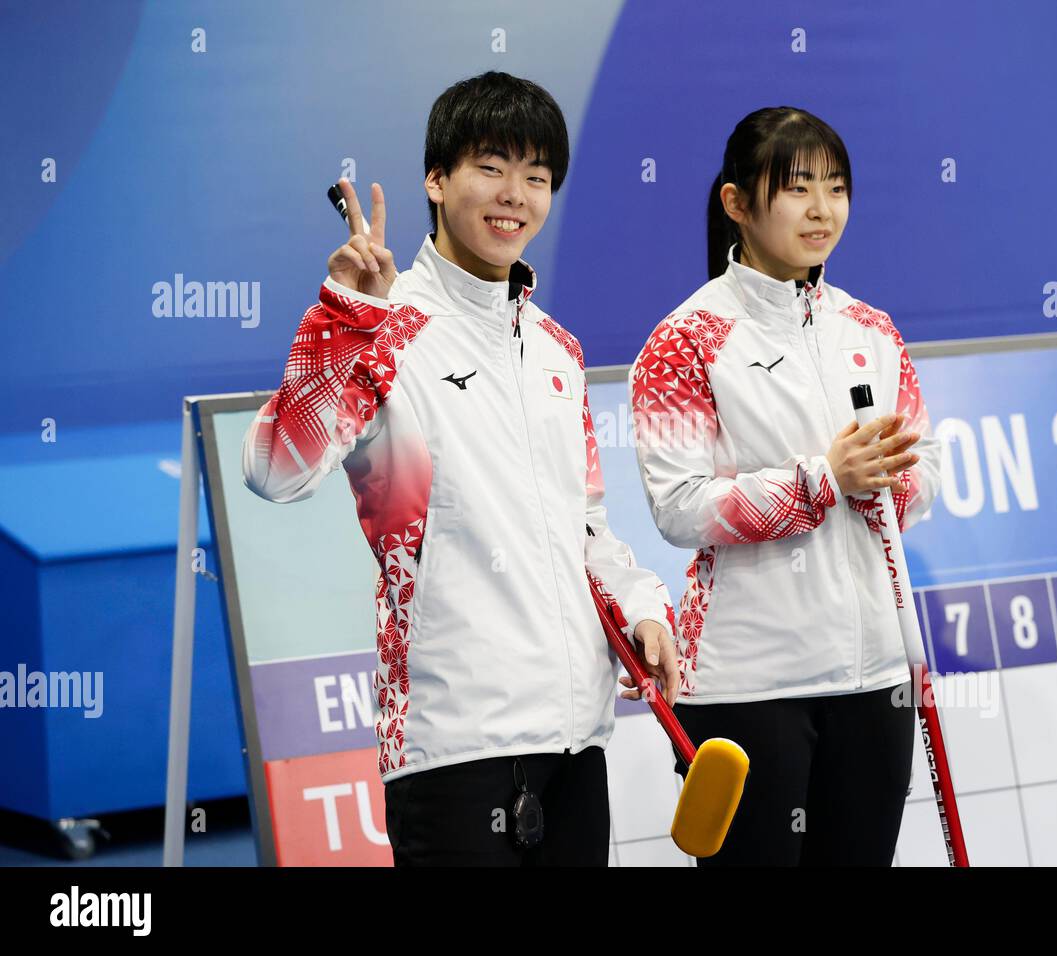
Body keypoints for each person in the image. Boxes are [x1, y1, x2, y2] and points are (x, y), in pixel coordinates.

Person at [242, 71, 679, 866]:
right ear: (436, 180)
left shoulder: (559, 351)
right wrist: (345, 318)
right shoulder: (383, 328)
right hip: (456, 748)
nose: (515, 194)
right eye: (491, 167)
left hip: (577, 744)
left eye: (538, 177)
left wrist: (643, 606)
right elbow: (276, 469)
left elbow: (587, 533)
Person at [625, 106, 941, 866]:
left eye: (836, 187)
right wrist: (823, 482)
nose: (823, 208)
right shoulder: (685, 340)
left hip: (876, 675)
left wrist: (889, 484)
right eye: (798, 188)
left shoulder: (872, 328)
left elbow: (921, 476)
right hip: (745, 685)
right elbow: (679, 507)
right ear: (737, 202)